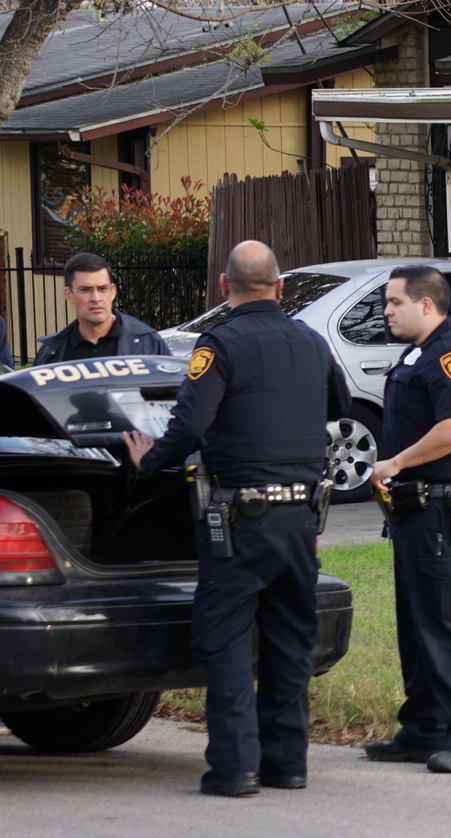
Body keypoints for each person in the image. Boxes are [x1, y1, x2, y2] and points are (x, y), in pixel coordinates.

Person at [123, 241, 352, 798]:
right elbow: (338, 408)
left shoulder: (218, 343)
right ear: (278, 288)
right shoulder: (311, 341)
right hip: (300, 519)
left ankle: (235, 768)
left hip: (238, 519)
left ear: (224, 289)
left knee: (226, 640)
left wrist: (148, 460)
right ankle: (287, 765)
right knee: (289, 640)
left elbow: (190, 425)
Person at [362, 265, 451, 775]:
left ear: (426, 304)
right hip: (413, 511)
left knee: (444, 626)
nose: (386, 311)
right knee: (416, 628)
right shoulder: (416, 353)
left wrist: (396, 462)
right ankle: (422, 731)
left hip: (442, 510)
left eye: (394, 302)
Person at [35, 252, 172, 366]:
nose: (96, 298)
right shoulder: (51, 352)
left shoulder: (148, 344)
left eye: (102, 289)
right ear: (68, 295)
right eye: (85, 290)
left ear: (113, 291)